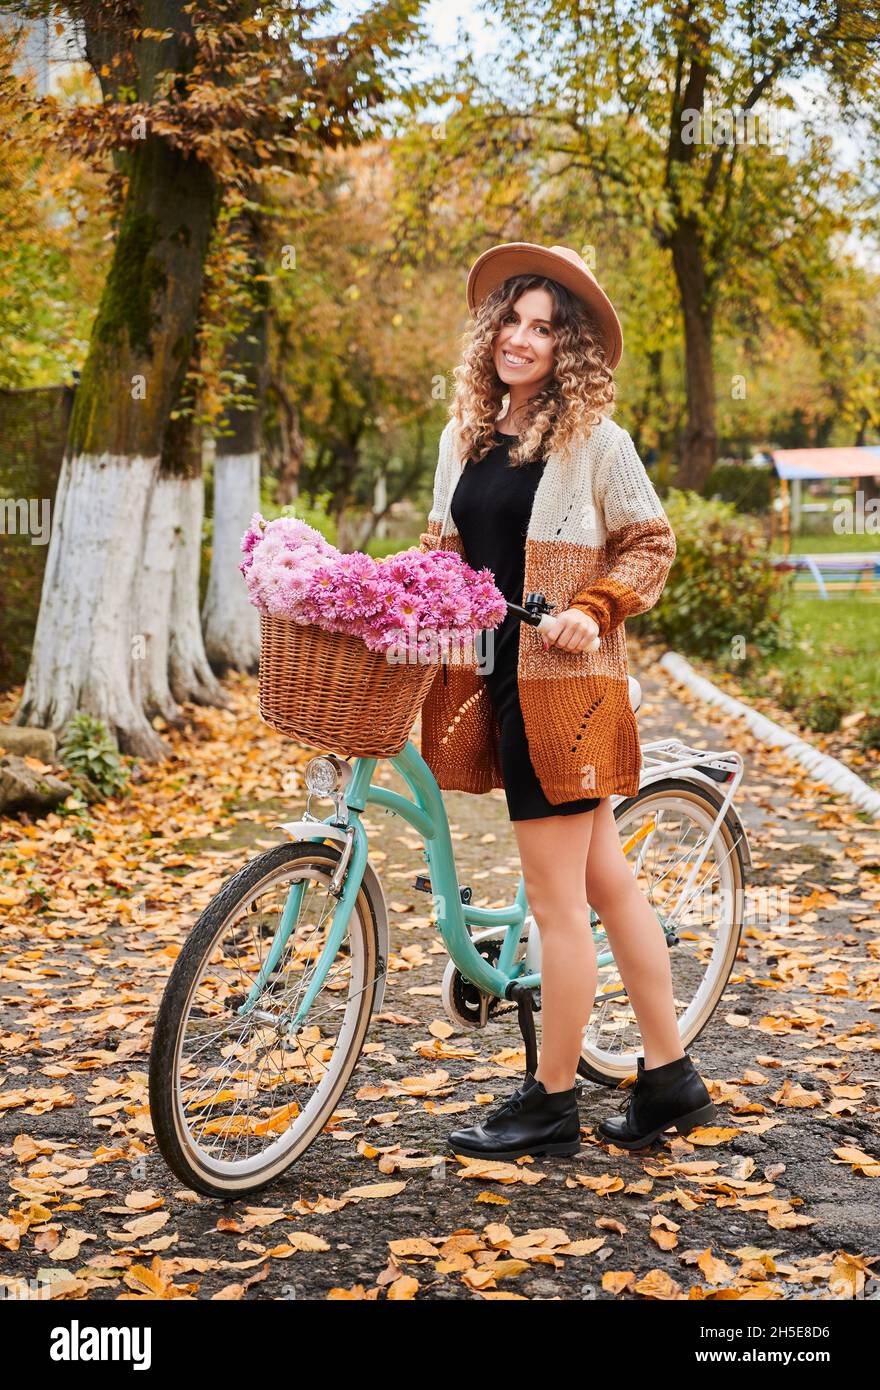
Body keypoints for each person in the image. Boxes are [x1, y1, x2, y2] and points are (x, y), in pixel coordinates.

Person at [417, 242, 716, 1159]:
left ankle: (550, 1104)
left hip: (566, 687)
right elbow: (441, 554)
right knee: (602, 881)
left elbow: (650, 546)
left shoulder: (596, 443)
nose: (521, 338)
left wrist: (593, 607)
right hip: (496, 675)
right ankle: (669, 1078)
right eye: (512, 318)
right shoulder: (463, 435)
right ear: (491, 329)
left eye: (544, 327)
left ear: (568, 347)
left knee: (557, 903)